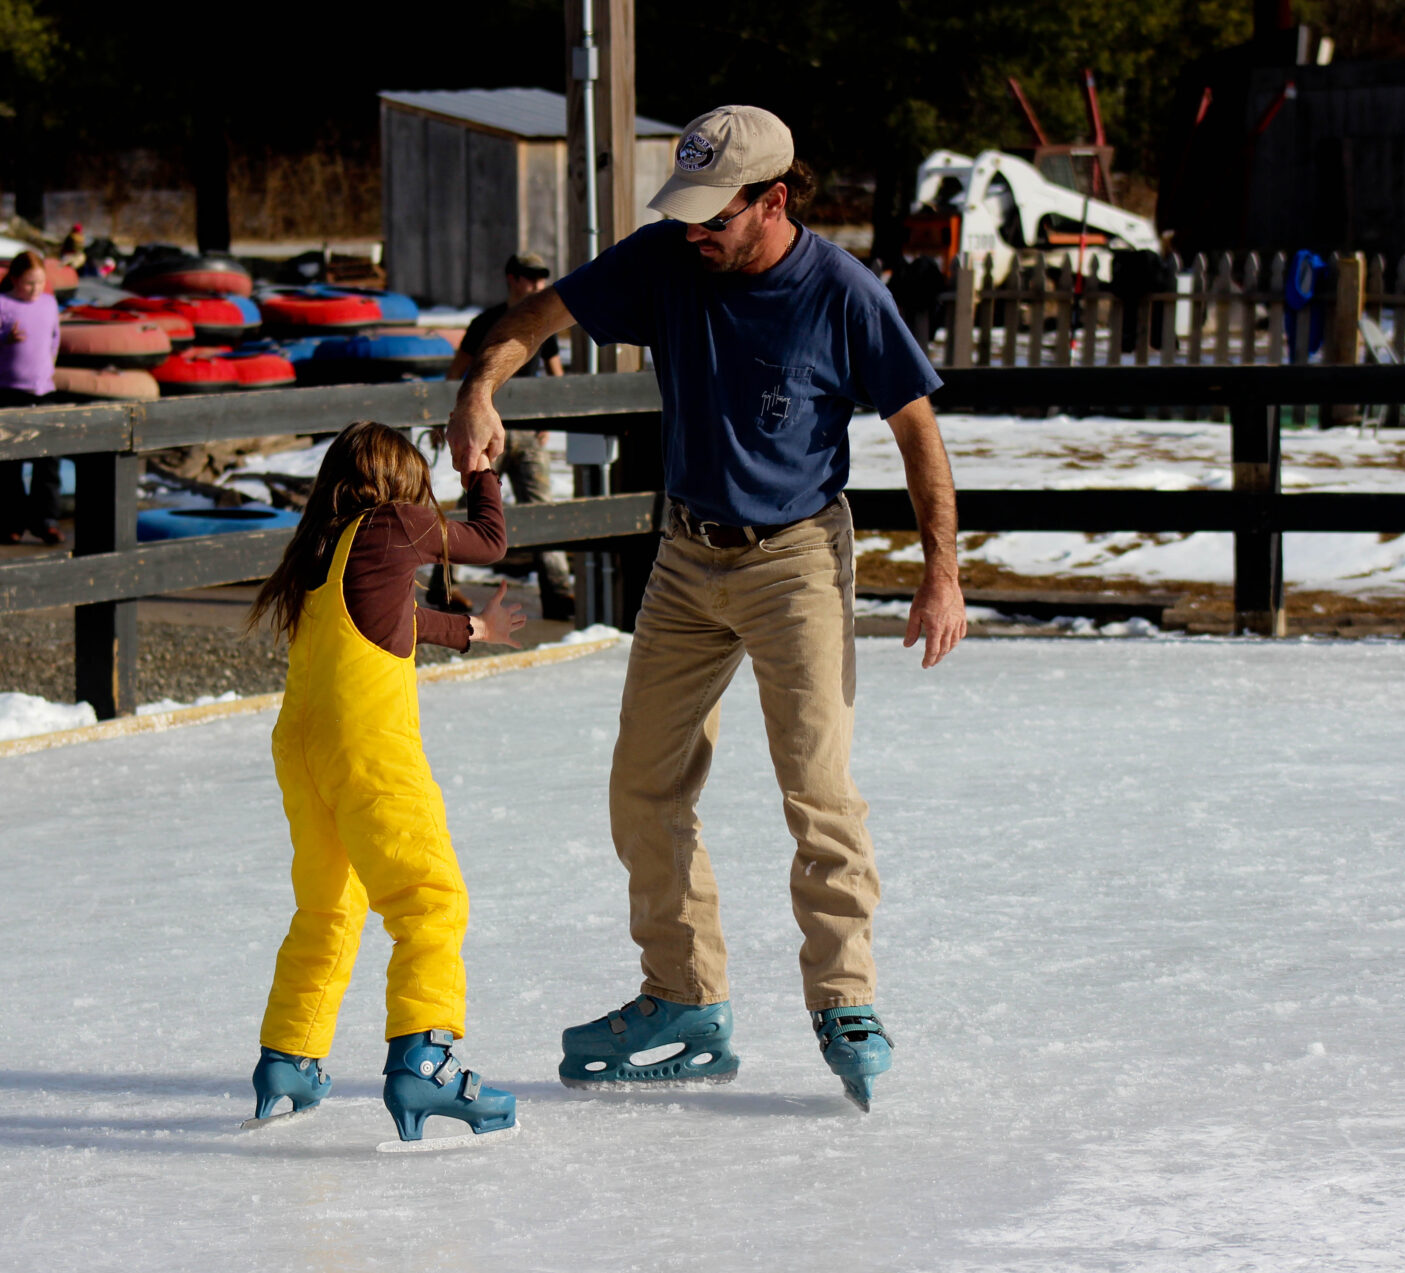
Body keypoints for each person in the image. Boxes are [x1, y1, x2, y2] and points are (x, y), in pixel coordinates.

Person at [445, 105, 968, 1112]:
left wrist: (940, 572)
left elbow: (918, 433)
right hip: (687, 557)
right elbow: (534, 320)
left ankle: (846, 998)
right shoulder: (668, 259)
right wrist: (480, 392)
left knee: (817, 788)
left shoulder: (844, 293)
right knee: (643, 783)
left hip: (796, 560)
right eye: (683, 212)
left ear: (774, 199)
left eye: (714, 214)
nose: (694, 231)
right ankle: (685, 995)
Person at [244, 420, 525, 1145]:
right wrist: (481, 470)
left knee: (329, 907)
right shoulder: (394, 522)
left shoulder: (322, 550)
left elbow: (396, 620)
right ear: (400, 484)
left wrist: (475, 631)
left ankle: (289, 1059)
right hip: (369, 749)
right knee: (429, 898)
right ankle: (424, 1062)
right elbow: (489, 541)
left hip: (303, 752)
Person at [433, 251, 574, 621]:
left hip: (525, 432)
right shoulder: (486, 323)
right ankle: (444, 586)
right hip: (484, 432)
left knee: (541, 507)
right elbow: (456, 372)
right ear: (512, 278)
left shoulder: (543, 321)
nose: (538, 284)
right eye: (530, 276)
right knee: (471, 508)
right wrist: (445, 417)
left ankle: (558, 590)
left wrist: (552, 416)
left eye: (542, 277)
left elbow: (556, 375)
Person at [0, 250, 63, 546]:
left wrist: (48, 366)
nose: (35, 289)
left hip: (42, 390)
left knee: (48, 459)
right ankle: (8, 524)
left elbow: (54, 337)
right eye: (28, 283)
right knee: (8, 462)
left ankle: (46, 520)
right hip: (5, 390)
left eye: (40, 283)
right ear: (14, 280)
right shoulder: (1, 304)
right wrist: (3, 337)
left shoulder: (49, 303)